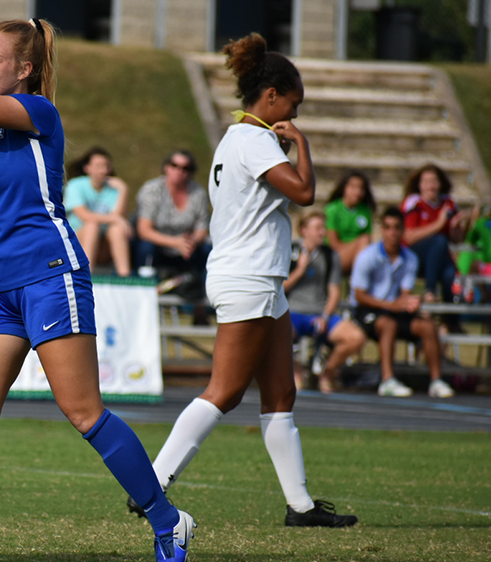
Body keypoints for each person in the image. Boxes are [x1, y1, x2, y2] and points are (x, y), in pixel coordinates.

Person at [0, 2, 194, 561]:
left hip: (51, 275)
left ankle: (167, 521)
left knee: (82, 411)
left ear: (24, 69)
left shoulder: (38, 111)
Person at [141, 32, 358, 529]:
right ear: (273, 96)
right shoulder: (257, 139)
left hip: (259, 279)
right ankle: (151, 484)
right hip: (250, 277)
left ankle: (300, 507)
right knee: (225, 390)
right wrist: (300, 144)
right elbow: (303, 193)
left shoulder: (233, 136)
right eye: (294, 104)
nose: (296, 115)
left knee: (281, 393)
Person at [350, 207, 455, 398]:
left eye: (397, 227)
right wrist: (392, 305)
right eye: (388, 227)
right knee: (388, 324)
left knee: (427, 326)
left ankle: (436, 381)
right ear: (382, 229)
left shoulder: (410, 258)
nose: (392, 232)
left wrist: (413, 301)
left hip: (393, 309)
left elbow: (405, 294)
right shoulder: (367, 256)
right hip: (368, 310)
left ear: (402, 230)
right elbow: (359, 295)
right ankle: (387, 380)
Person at [284, 211, 367, 393]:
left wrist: (325, 316)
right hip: (293, 312)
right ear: (304, 230)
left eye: (323, 228)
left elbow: (334, 291)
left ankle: (326, 372)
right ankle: (297, 371)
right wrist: (299, 270)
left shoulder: (330, 256)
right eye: (317, 228)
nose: (323, 232)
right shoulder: (289, 251)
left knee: (356, 337)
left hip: (319, 312)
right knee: (276, 333)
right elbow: (279, 287)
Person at [135, 149, 211, 321]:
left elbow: (202, 229)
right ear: (166, 167)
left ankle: (202, 307)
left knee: (207, 249)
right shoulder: (152, 189)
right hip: (157, 246)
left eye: (186, 168)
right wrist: (174, 242)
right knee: (145, 248)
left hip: (186, 249)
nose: (179, 171)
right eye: (175, 165)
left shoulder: (198, 193)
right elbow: (144, 230)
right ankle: (143, 299)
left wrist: (190, 242)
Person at [401, 164, 469, 306]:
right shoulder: (414, 203)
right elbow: (409, 237)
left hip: (439, 259)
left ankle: (450, 321)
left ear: (440, 184)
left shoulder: (448, 204)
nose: (430, 186)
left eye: (433, 181)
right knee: (439, 240)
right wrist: (439, 224)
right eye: (426, 182)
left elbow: (457, 240)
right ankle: (429, 290)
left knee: (450, 273)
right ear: (419, 185)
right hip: (414, 256)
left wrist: (460, 226)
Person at [64, 146, 132, 276]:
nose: (104, 170)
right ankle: (87, 274)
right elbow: (84, 215)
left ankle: (125, 276)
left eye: (107, 166)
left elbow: (118, 217)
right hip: (78, 242)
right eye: (99, 166)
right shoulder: (76, 185)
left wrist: (124, 190)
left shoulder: (114, 188)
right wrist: (116, 219)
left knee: (116, 229)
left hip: (103, 245)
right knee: (92, 225)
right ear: (87, 168)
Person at [324, 170, 375, 274]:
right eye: (353, 187)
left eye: (361, 188)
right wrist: (354, 247)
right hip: (336, 256)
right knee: (364, 241)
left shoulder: (365, 211)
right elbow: (333, 244)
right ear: (344, 188)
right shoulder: (332, 209)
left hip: (357, 256)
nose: (357, 191)